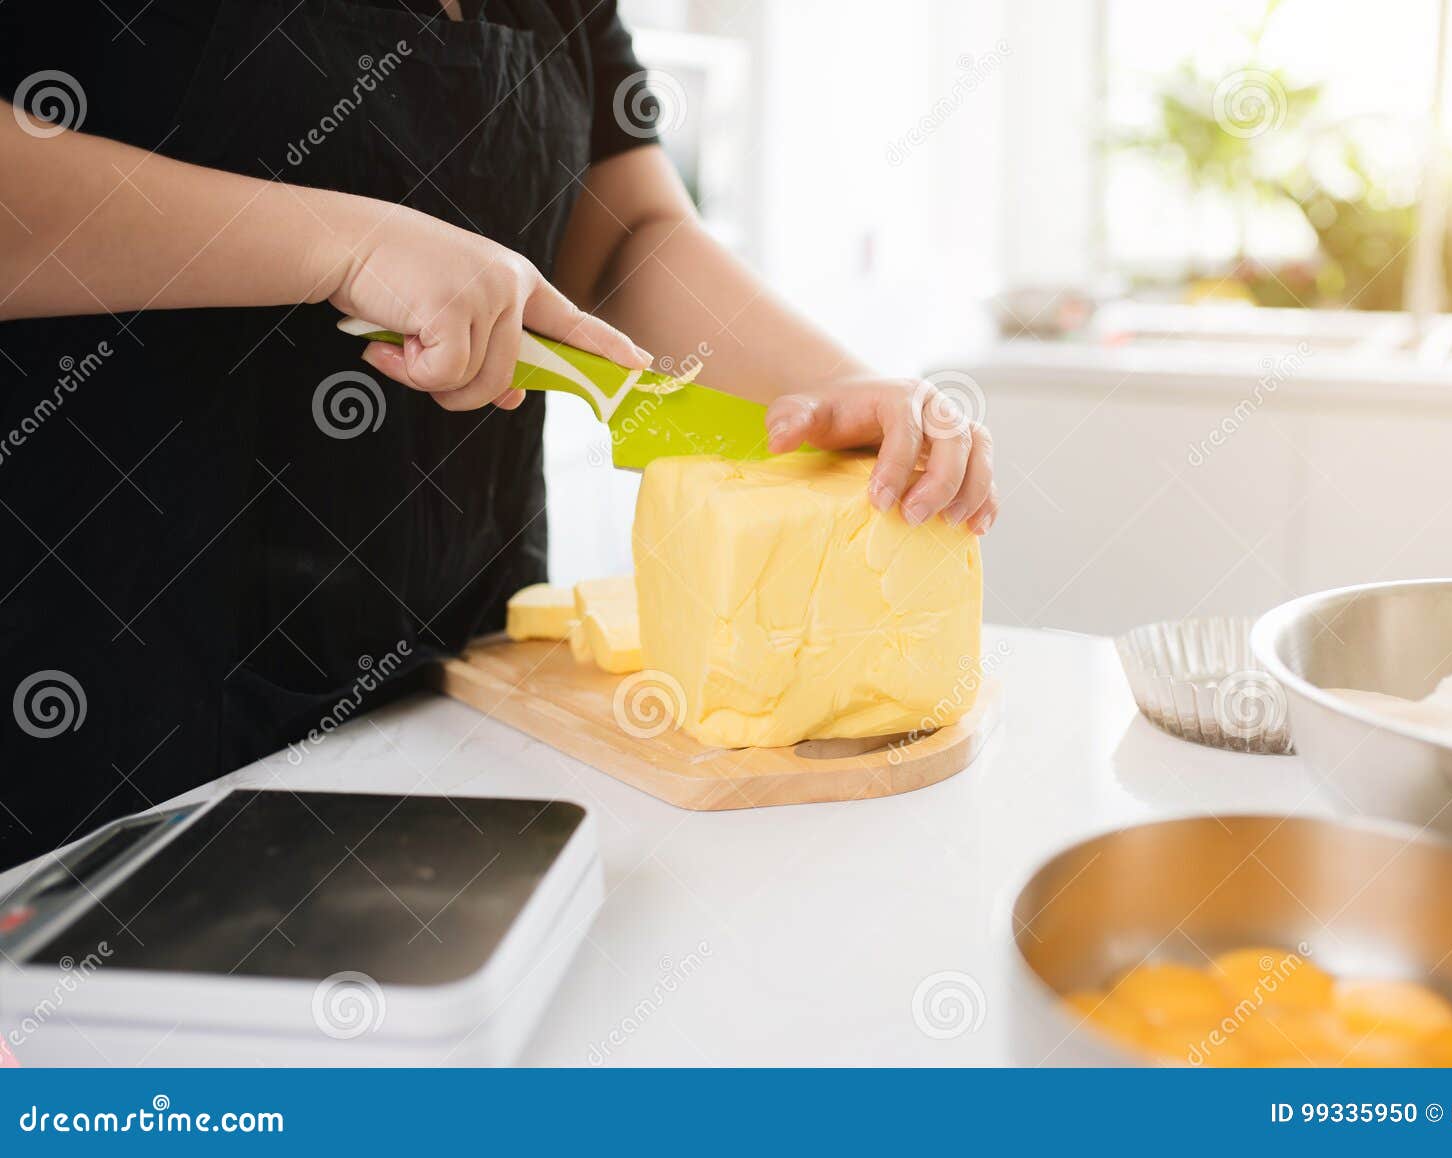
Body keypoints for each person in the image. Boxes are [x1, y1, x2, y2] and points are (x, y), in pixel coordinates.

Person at [0, 0, 998, 868]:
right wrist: (344, 245)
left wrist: (839, 390)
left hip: (463, 692)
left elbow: (620, 240)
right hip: (111, 722)